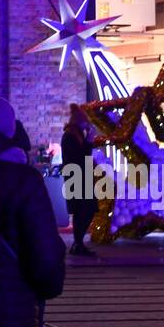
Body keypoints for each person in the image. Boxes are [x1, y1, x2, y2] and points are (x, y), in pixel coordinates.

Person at [0, 96, 66, 327]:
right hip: (8, 301)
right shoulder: (23, 179)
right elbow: (42, 247)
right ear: (11, 129)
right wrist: (49, 284)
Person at [60, 104, 99, 257]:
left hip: (79, 177)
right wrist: (89, 140)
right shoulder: (71, 136)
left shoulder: (75, 135)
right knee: (84, 210)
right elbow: (81, 157)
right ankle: (78, 243)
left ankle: (78, 243)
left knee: (84, 210)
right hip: (78, 178)